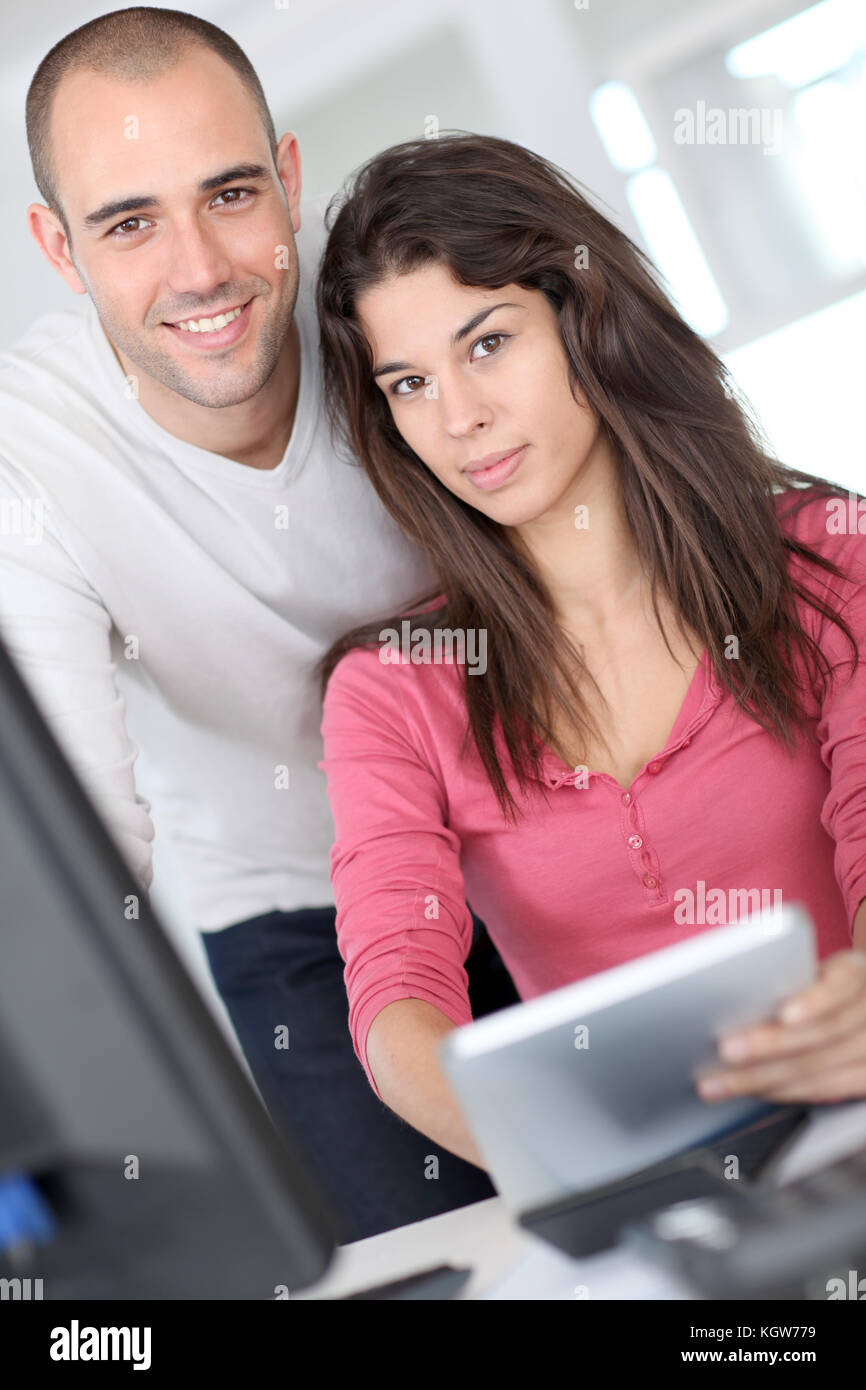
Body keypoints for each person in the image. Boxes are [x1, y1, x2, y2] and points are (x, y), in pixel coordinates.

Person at [0, 9, 518, 1241]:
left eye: (229, 193)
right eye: (128, 222)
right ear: (60, 251)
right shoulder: (29, 462)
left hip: (542, 827)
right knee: (423, 1260)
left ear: (288, 181)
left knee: (686, 1203)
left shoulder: (395, 308)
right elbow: (80, 828)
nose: (199, 269)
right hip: (298, 916)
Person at [314, 131, 866, 1171]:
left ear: (585, 320)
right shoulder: (390, 692)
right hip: (633, 1193)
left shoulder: (826, 560)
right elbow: (397, 997)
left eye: (486, 344)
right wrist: (568, 1159)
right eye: (408, 384)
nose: (461, 418)